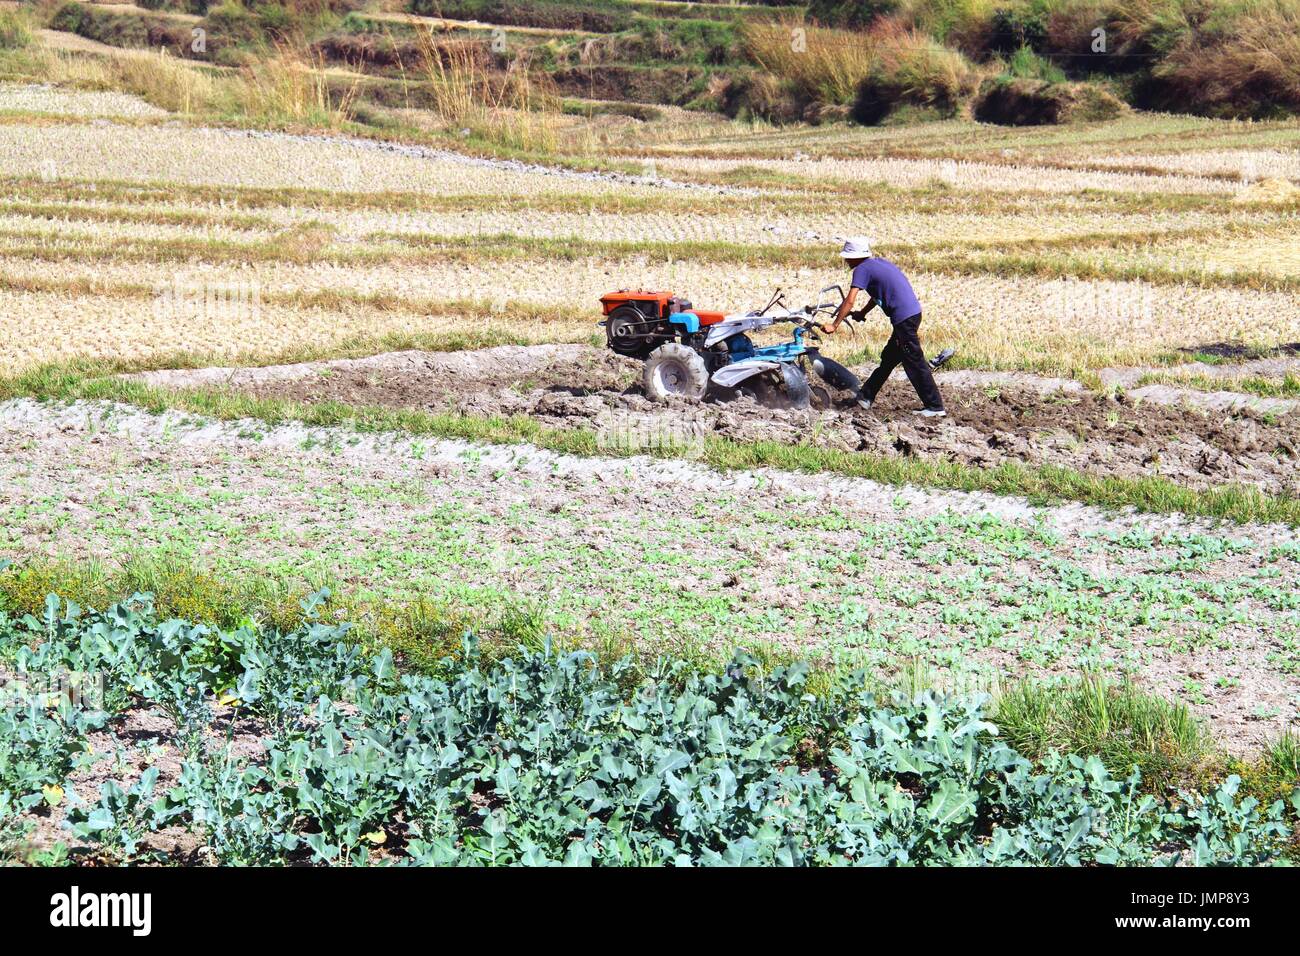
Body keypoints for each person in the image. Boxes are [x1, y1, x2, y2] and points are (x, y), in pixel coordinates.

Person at [819, 238, 946, 418]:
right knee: (889, 358)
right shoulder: (877, 264)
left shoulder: (861, 269)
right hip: (911, 314)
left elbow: (849, 299)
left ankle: (935, 406)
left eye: (848, 257)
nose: (846, 261)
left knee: (914, 362)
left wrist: (834, 324)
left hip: (904, 319)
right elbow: (878, 293)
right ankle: (866, 396)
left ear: (856, 257)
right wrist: (862, 313)